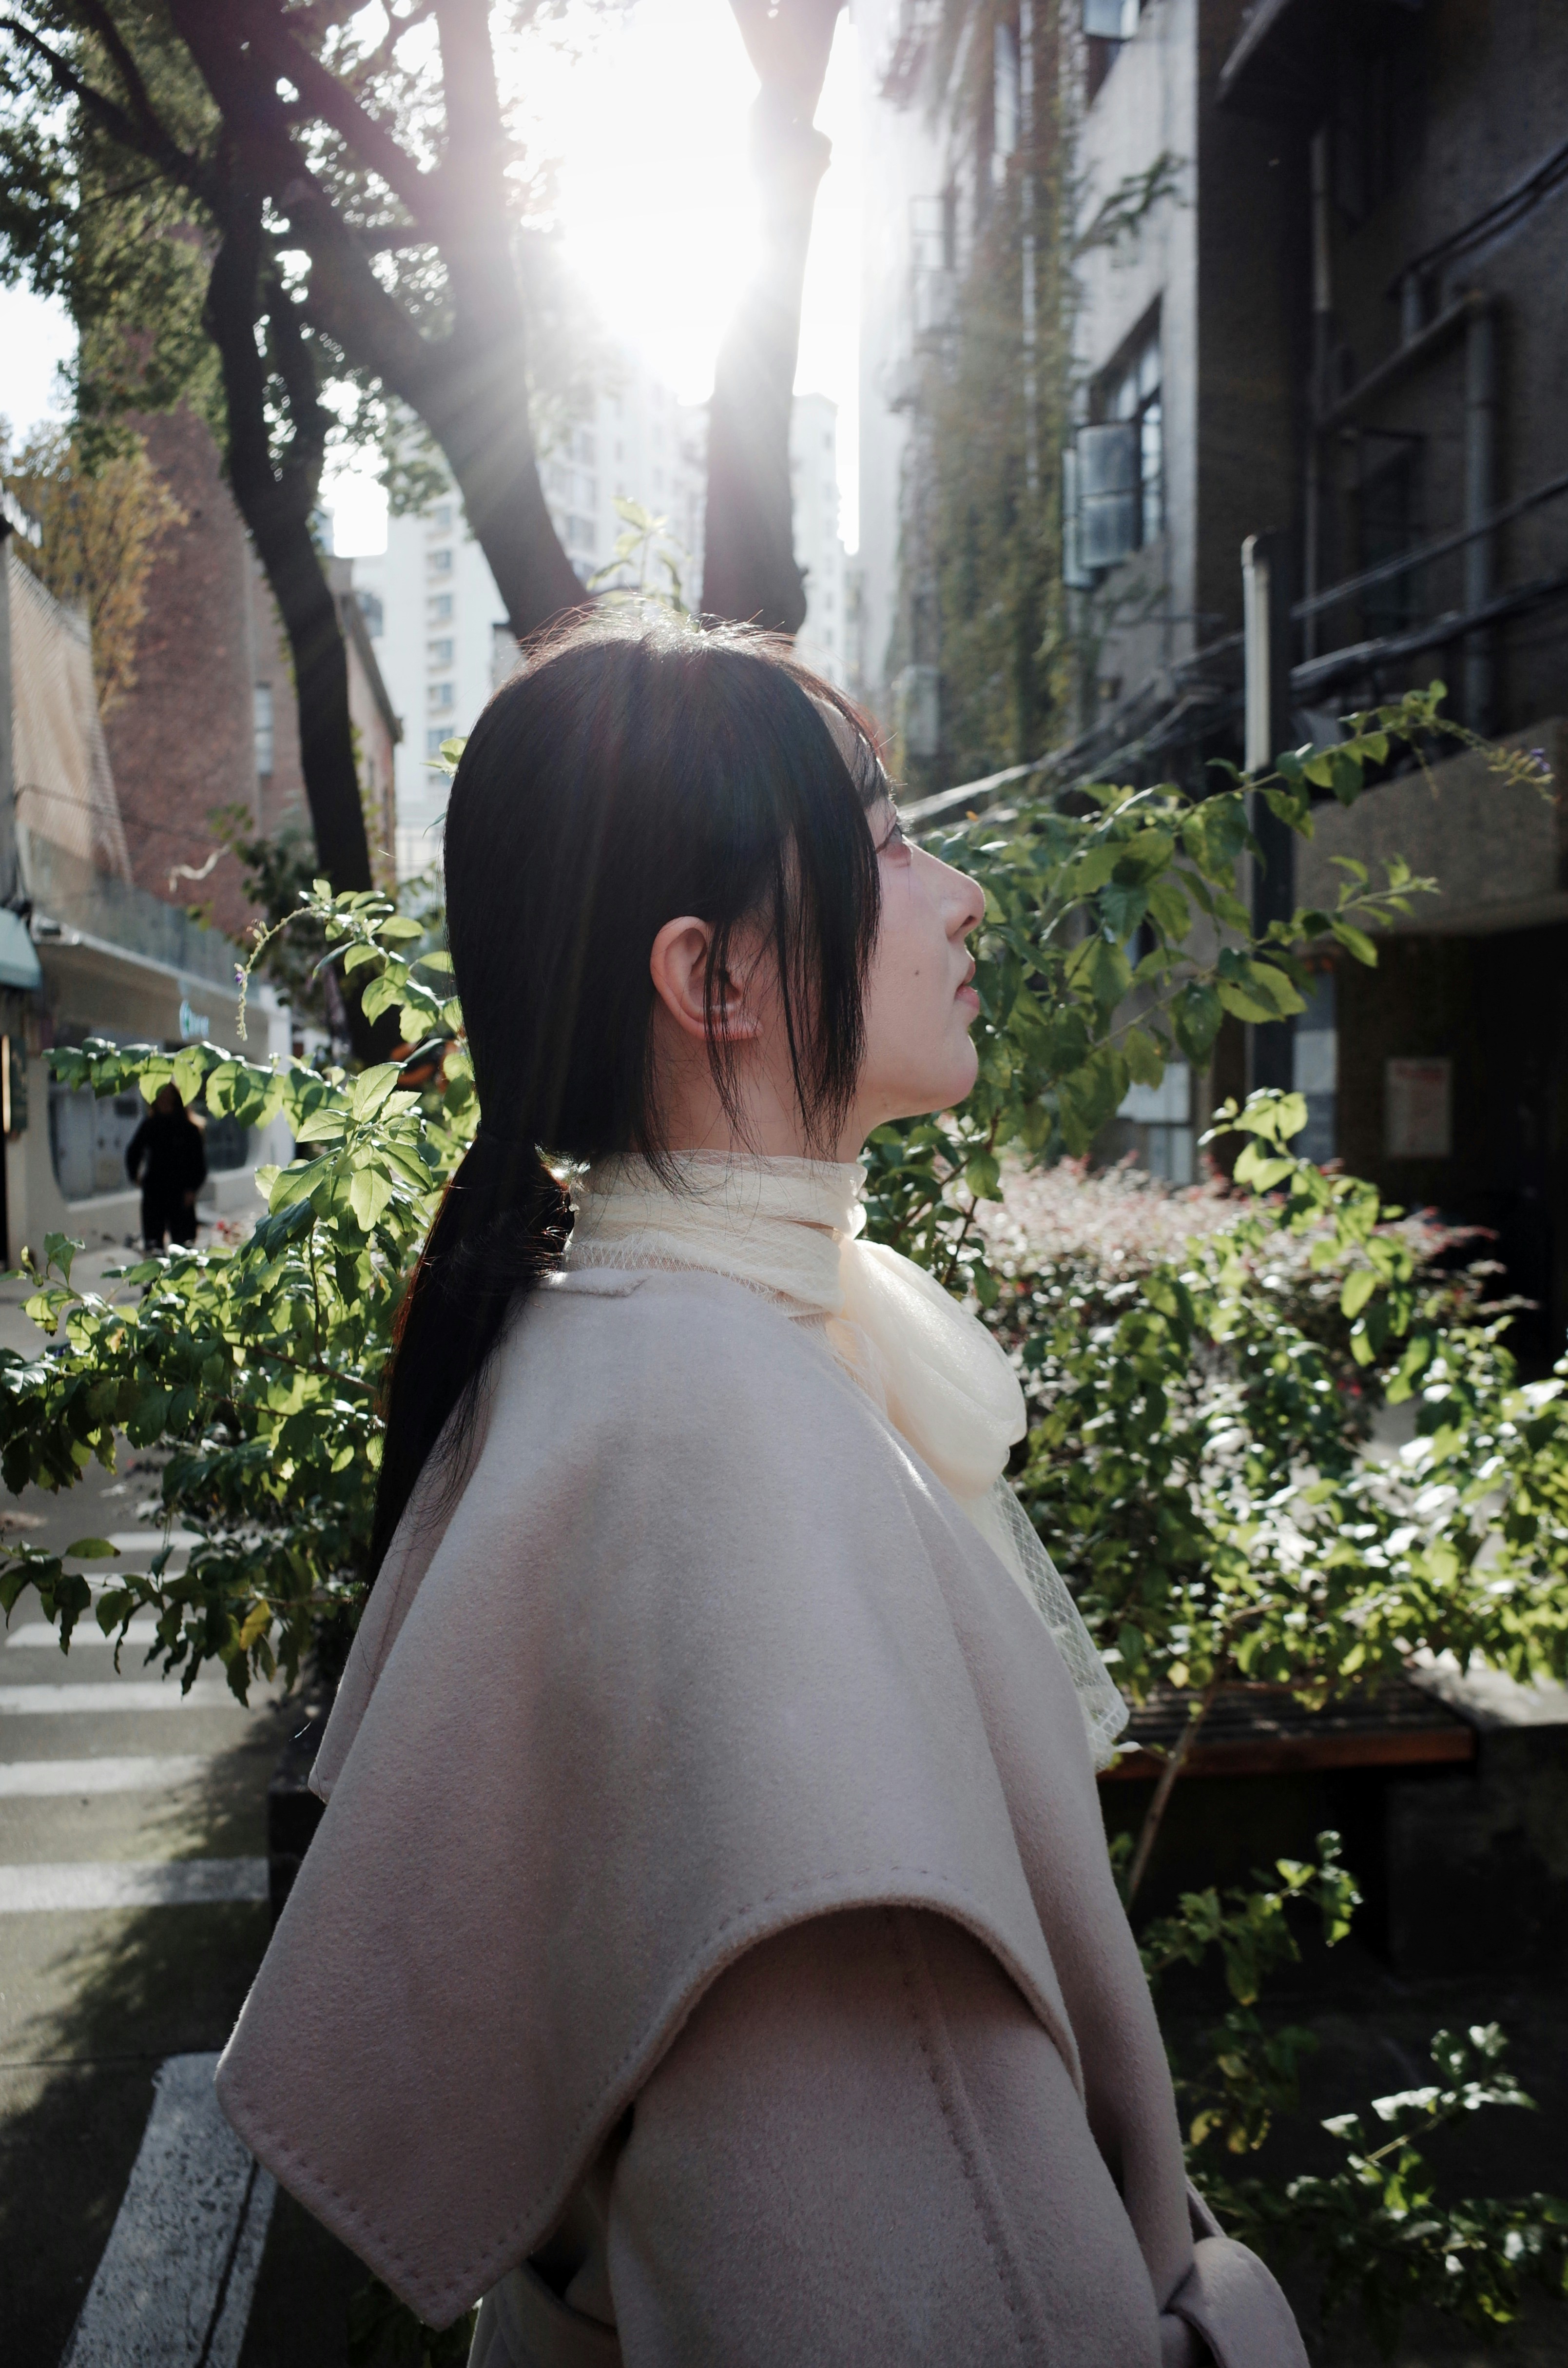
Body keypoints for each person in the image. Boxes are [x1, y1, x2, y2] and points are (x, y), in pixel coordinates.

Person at [216, 616, 1308, 2367]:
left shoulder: (651, 1349)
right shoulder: (720, 1458)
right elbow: (927, 2283)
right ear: (712, 979)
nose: (963, 896)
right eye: (887, 843)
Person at [124, 1081, 207, 1250]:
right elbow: (133, 1152)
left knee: (184, 1245)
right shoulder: (150, 1125)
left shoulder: (189, 1128)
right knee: (154, 1245)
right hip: (155, 1191)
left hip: (181, 1191)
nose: (164, 1099)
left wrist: (192, 1189)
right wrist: (135, 1177)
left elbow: (199, 1164)